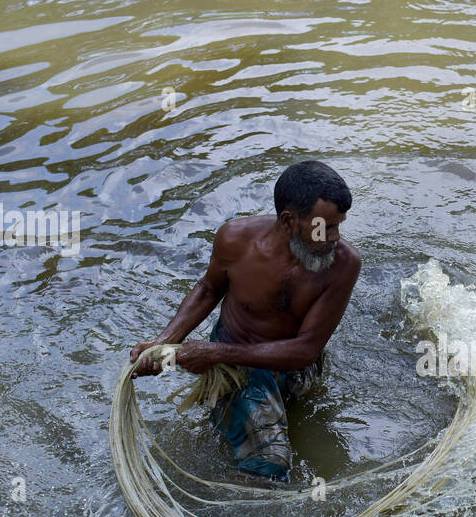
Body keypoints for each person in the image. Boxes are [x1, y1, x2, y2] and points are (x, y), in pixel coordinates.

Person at [129, 161, 360, 481]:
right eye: (325, 228)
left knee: (307, 424)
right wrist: (164, 342)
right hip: (237, 361)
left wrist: (214, 354)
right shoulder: (235, 239)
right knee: (271, 461)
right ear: (289, 221)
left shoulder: (344, 264)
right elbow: (208, 289)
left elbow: (307, 349)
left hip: (295, 365)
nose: (335, 238)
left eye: (338, 225)